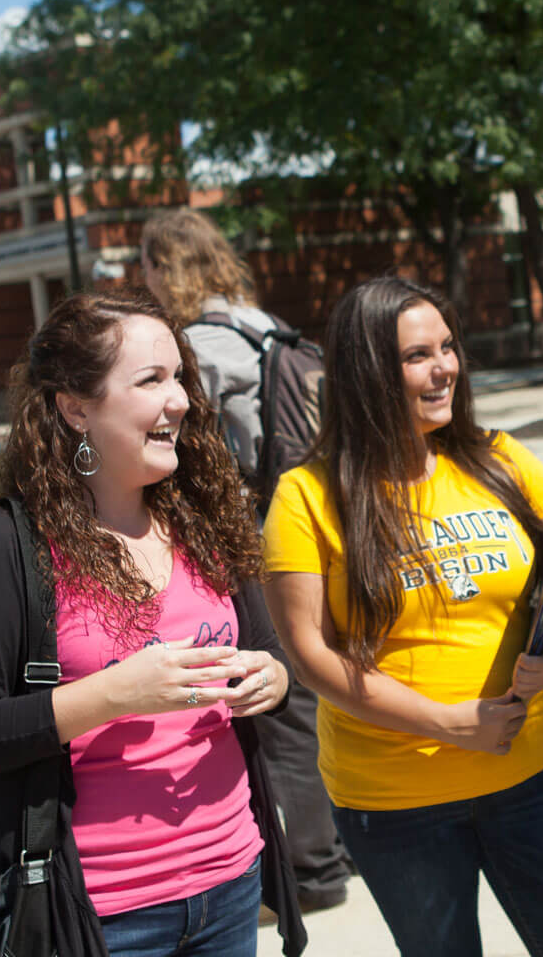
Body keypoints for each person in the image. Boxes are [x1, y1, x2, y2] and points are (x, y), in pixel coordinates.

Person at [0, 290, 306, 957]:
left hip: (232, 882)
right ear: (75, 408)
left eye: (179, 376)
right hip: (99, 915)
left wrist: (269, 677)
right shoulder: (2, 548)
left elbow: (270, 658)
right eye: (151, 380)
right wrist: (115, 694)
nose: (180, 399)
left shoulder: (207, 517)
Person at [263, 275, 543, 957]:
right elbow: (309, 652)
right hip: (396, 803)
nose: (445, 368)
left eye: (449, 348)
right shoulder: (306, 495)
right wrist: (447, 724)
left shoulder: (501, 458)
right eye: (416, 356)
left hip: (535, 778)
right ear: (367, 371)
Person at [140, 208, 355, 916]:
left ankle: (316, 870)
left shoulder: (200, 342)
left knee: (281, 702)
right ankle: (339, 837)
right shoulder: (262, 324)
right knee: (316, 684)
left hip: (258, 533)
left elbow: (195, 451)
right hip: (315, 520)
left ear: (164, 266)